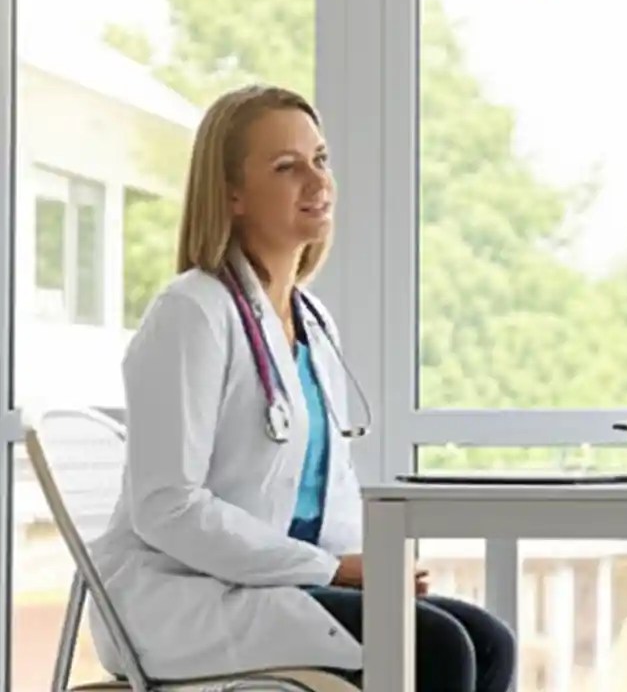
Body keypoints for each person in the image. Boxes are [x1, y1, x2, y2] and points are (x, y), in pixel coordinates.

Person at [86, 84, 515, 692]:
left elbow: (326, 497)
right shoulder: (191, 312)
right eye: (287, 167)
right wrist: (335, 570)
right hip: (185, 600)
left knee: (488, 640)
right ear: (231, 194)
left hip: (282, 586)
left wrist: (376, 568)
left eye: (321, 160)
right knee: (436, 648)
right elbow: (167, 507)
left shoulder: (310, 319)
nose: (317, 182)